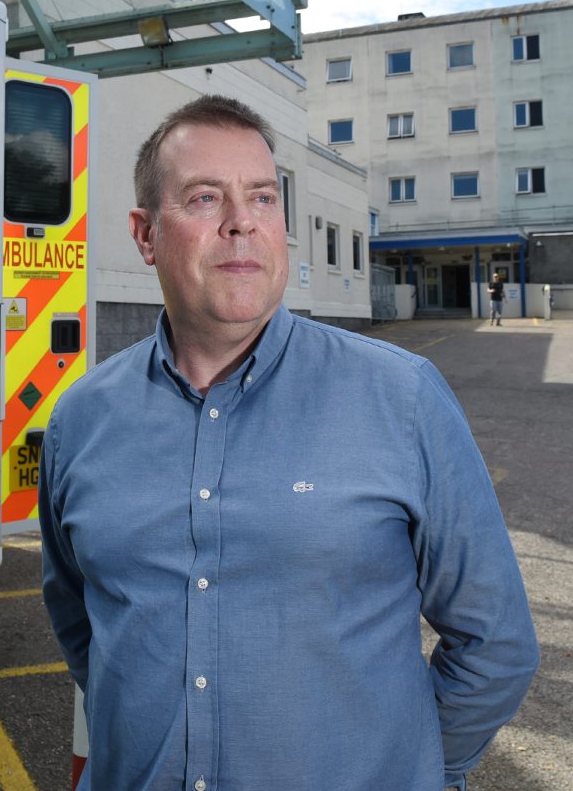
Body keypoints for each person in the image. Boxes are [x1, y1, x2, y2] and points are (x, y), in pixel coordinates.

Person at [39, 95, 539, 791]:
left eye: (263, 198)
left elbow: (496, 644)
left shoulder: (401, 396)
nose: (242, 221)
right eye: (205, 198)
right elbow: (81, 620)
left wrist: (417, 769)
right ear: (146, 235)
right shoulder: (81, 419)